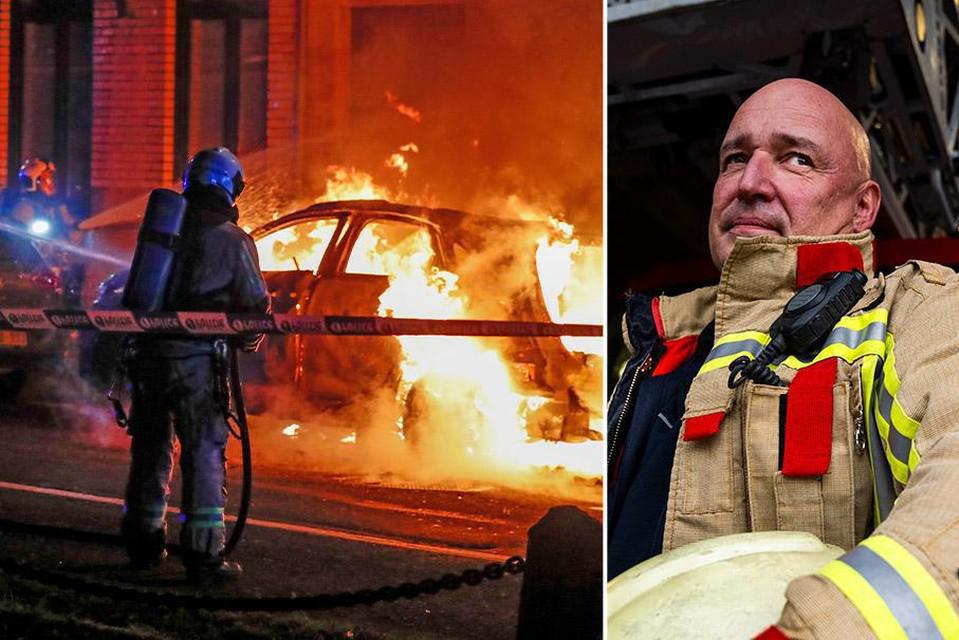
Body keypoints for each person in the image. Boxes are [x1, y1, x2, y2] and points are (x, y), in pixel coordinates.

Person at [608, 78, 959, 637]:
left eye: (797, 159)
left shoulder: (918, 311)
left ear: (863, 207)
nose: (750, 183)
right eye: (735, 159)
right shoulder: (652, 347)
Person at [121, 147, 270, 584]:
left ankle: (143, 543)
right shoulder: (233, 239)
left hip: (149, 357)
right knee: (203, 452)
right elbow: (254, 306)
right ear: (229, 186)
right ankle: (204, 556)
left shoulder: (161, 231)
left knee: (150, 449)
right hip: (198, 363)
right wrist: (248, 340)